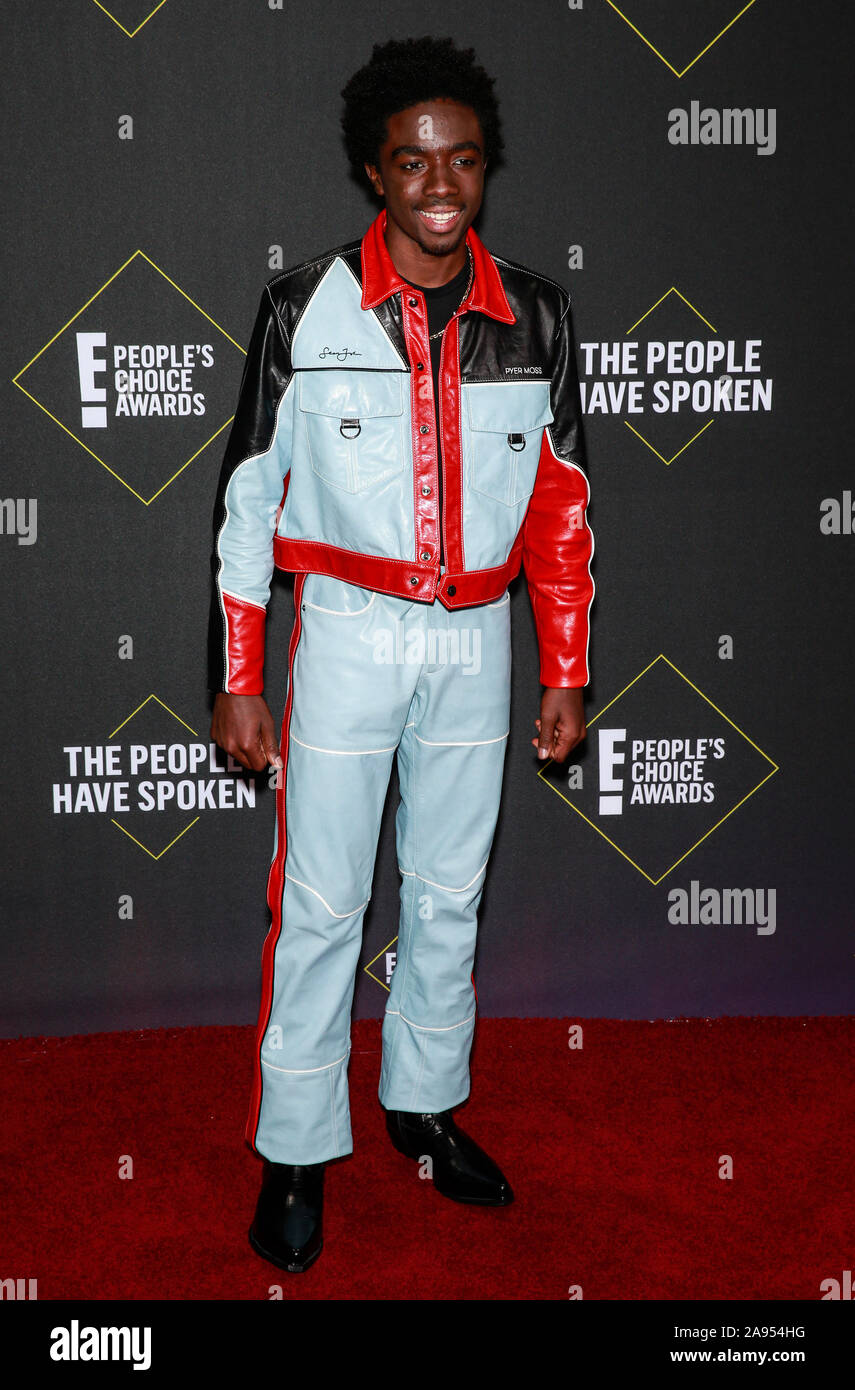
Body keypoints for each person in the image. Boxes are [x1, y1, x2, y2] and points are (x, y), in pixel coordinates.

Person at [208, 34, 594, 1274]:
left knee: (446, 897)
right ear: (374, 172)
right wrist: (240, 674)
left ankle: (422, 1113)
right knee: (319, 906)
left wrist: (566, 666)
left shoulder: (536, 312)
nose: (440, 181)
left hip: (481, 641)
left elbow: (562, 507)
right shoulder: (298, 306)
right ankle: (295, 1147)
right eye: (412, 159)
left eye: (463, 158)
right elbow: (248, 499)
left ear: (487, 169)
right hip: (348, 635)